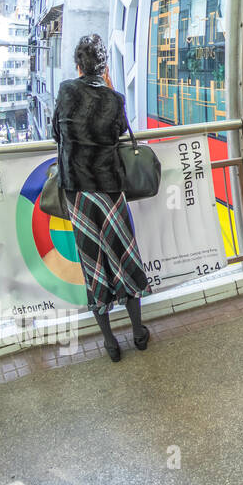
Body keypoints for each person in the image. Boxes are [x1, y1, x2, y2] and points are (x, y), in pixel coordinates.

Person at [52, 34, 151, 362]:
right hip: (109, 191)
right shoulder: (115, 98)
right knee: (125, 257)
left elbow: (57, 132)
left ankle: (110, 343)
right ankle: (138, 332)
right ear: (104, 67)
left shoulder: (66, 91)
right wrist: (108, 88)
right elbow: (119, 132)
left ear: (78, 65)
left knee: (93, 265)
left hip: (77, 194)